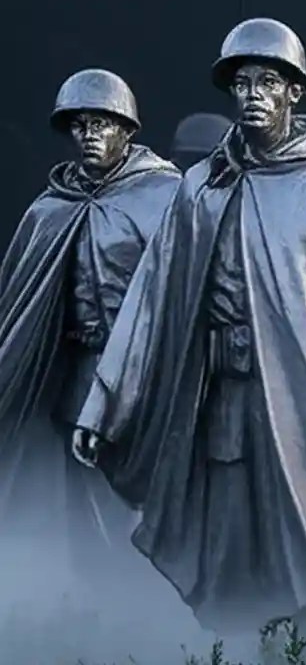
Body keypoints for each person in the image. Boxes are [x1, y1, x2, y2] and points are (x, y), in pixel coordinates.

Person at [72, 18, 306, 647]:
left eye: (268, 81)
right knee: (230, 548)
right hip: (224, 401)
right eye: (241, 82)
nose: (252, 94)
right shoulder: (203, 188)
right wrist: (104, 407)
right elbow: (151, 303)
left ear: (295, 91)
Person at [0, 68, 179, 590]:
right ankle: (100, 598)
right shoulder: (50, 209)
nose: (89, 134)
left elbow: (186, 292)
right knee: (85, 497)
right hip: (78, 372)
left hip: (145, 376)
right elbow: (21, 302)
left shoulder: (166, 197)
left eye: (101, 123)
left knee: (146, 494)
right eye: (79, 125)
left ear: (126, 127)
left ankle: (149, 599)